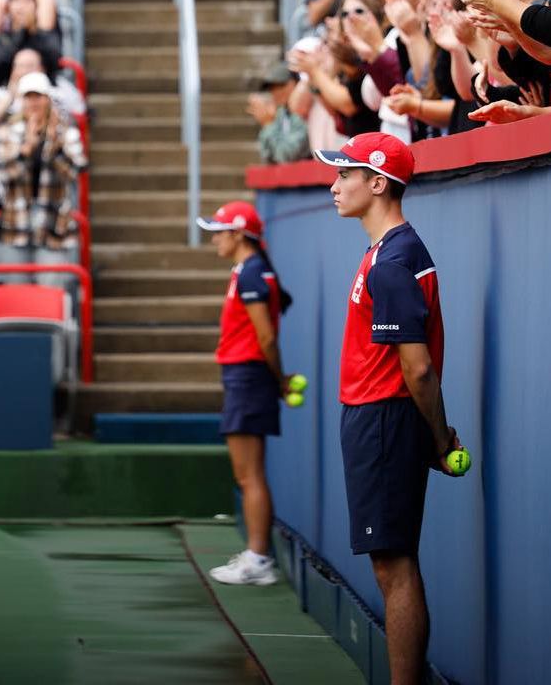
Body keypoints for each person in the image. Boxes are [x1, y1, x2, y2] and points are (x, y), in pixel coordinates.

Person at [313, 133, 464, 685]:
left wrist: (439, 437)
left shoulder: (393, 260)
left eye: (344, 174)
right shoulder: (389, 251)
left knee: (394, 568)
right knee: (392, 564)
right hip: (379, 418)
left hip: (383, 420)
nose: (334, 186)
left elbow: (417, 368)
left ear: (377, 183)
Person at [197, 201, 293, 587]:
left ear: (238, 235)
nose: (214, 239)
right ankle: (257, 556)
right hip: (248, 377)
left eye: (219, 232)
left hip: (248, 378)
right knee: (249, 474)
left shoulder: (252, 272)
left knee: (248, 475)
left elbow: (265, 337)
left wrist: (280, 379)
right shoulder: (252, 270)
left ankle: (258, 559)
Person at [0, 71, 86, 288]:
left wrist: (53, 147)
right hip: (15, 224)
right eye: (28, 97)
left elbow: (75, 171)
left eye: (38, 96)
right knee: (16, 294)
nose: (33, 102)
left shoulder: (65, 132)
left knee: (52, 294)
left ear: (48, 99)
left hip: (53, 226)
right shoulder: (6, 132)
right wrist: (26, 151)